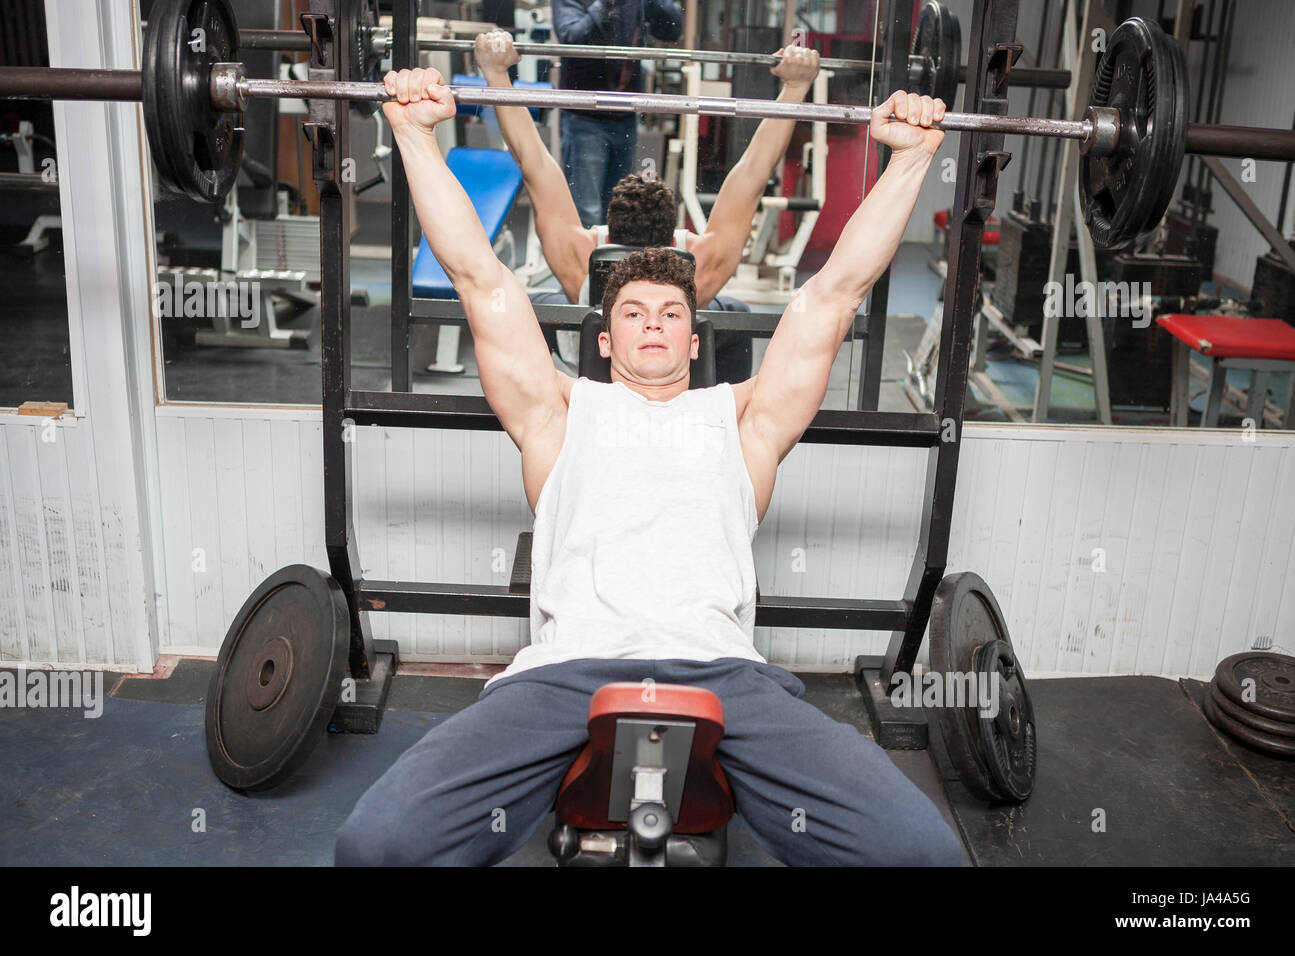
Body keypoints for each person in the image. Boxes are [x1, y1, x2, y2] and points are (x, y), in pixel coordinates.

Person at [336, 68, 961, 867]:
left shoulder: (743, 423)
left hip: (728, 675)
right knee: (373, 847)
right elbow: (479, 280)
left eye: (673, 313)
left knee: (923, 856)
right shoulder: (559, 416)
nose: (654, 323)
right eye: (632, 313)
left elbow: (834, 294)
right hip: (568, 669)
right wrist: (415, 137)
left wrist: (911, 158)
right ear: (604, 340)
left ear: (697, 342)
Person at [475, 29, 821, 383]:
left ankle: (544, 397)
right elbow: (754, 173)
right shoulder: (699, 265)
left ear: (604, 234)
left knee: (532, 305)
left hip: (593, 352)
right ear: (674, 239)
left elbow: (533, 162)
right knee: (735, 313)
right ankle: (718, 402)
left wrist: (496, 73)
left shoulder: (580, 256)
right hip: (670, 349)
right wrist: (795, 87)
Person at [552, 0, 684, 227]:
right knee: (587, 214)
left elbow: (671, 30)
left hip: (625, 116)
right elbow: (571, 38)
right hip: (584, 116)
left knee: (620, 212)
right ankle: (585, 263)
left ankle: (612, 264)